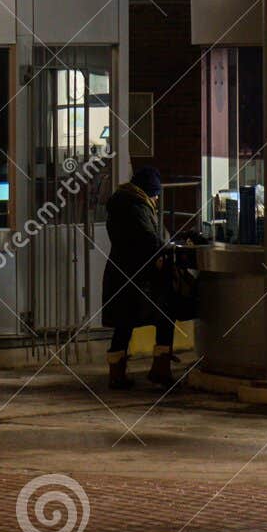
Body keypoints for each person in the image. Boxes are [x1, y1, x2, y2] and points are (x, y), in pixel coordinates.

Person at [102, 166, 178, 390]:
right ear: (146, 190)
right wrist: (166, 249)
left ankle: (117, 373)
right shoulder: (137, 206)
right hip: (140, 276)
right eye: (155, 193)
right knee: (165, 315)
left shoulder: (122, 202)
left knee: (124, 324)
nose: (156, 198)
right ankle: (160, 369)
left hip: (121, 274)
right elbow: (149, 238)